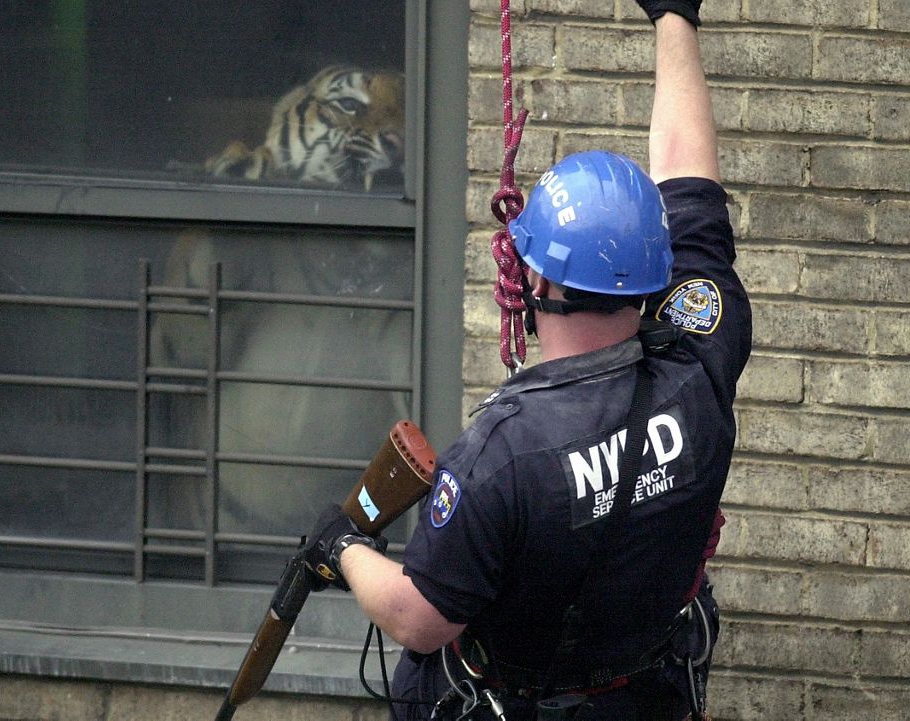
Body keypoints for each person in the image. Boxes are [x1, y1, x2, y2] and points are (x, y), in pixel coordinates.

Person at [303, 0, 751, 717]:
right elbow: (690, 180)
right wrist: (675, 15)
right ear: (652, 271)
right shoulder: (701, 355)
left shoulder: (500, 456)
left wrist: (342, 548)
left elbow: (421, 619)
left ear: (538, 284)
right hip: (649, 694)